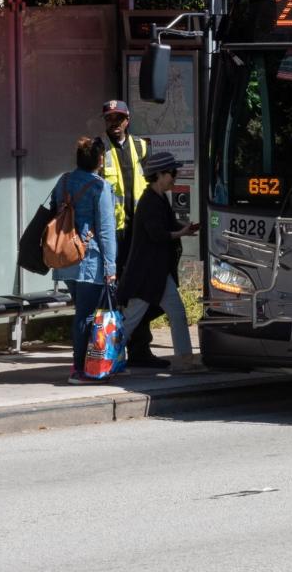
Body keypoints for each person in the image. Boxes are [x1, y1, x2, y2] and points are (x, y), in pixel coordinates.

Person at [117, 150, 201, 372]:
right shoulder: (149, 202)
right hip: (145, 275)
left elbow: (168, 226)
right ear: (159, 174)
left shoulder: (160, 198)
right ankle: (103, 357)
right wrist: (181, 233)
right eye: (172, 173)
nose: (175, 177)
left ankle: (185, 360)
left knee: (176, 313)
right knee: (130, 321)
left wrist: (185, 228)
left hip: (157, 273)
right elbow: (157, 234)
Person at [98, 99, 164, 368]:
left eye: (118, 118)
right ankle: (112, 352)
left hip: (139, 231)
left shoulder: (141, 147)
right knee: (113, 291)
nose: (114, 123)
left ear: (127, 120)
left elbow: (154, 187)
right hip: (112, 233)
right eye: (109, 118)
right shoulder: (98, 148)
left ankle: (140, 349)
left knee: (140, 289)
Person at [51, 137, 117, 385]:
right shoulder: (100, 187)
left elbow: (54, 210)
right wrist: (111, 267)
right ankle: (79, 369)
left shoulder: (63, 181)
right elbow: (106, 231)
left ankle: (89, 364)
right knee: (86, 316)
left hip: (65, 257)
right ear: (99, 160)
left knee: (82, 311)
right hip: (90, 259)